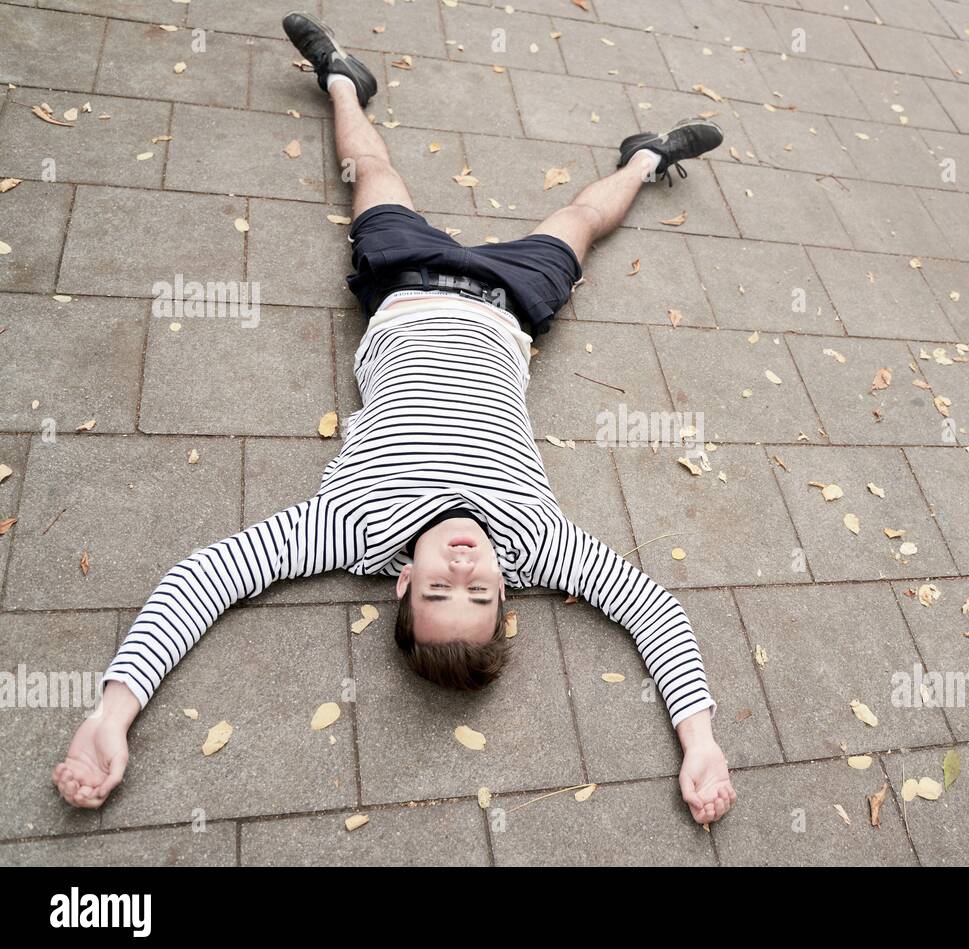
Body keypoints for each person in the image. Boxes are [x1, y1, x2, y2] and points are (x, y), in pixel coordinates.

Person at [52, 11, 737, 826]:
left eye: (440, 586)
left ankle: (342, 78)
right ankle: (648, 156)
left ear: (404, 583)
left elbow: (206, 577)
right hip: (509, 303)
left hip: (406, 282)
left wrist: (112, 713)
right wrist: (699, 739)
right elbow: (653, 610)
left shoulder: (351, 526)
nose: (462, 565)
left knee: (370, 168)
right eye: (478, 590)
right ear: (505, 589)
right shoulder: (539, 543)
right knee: (583, 222)